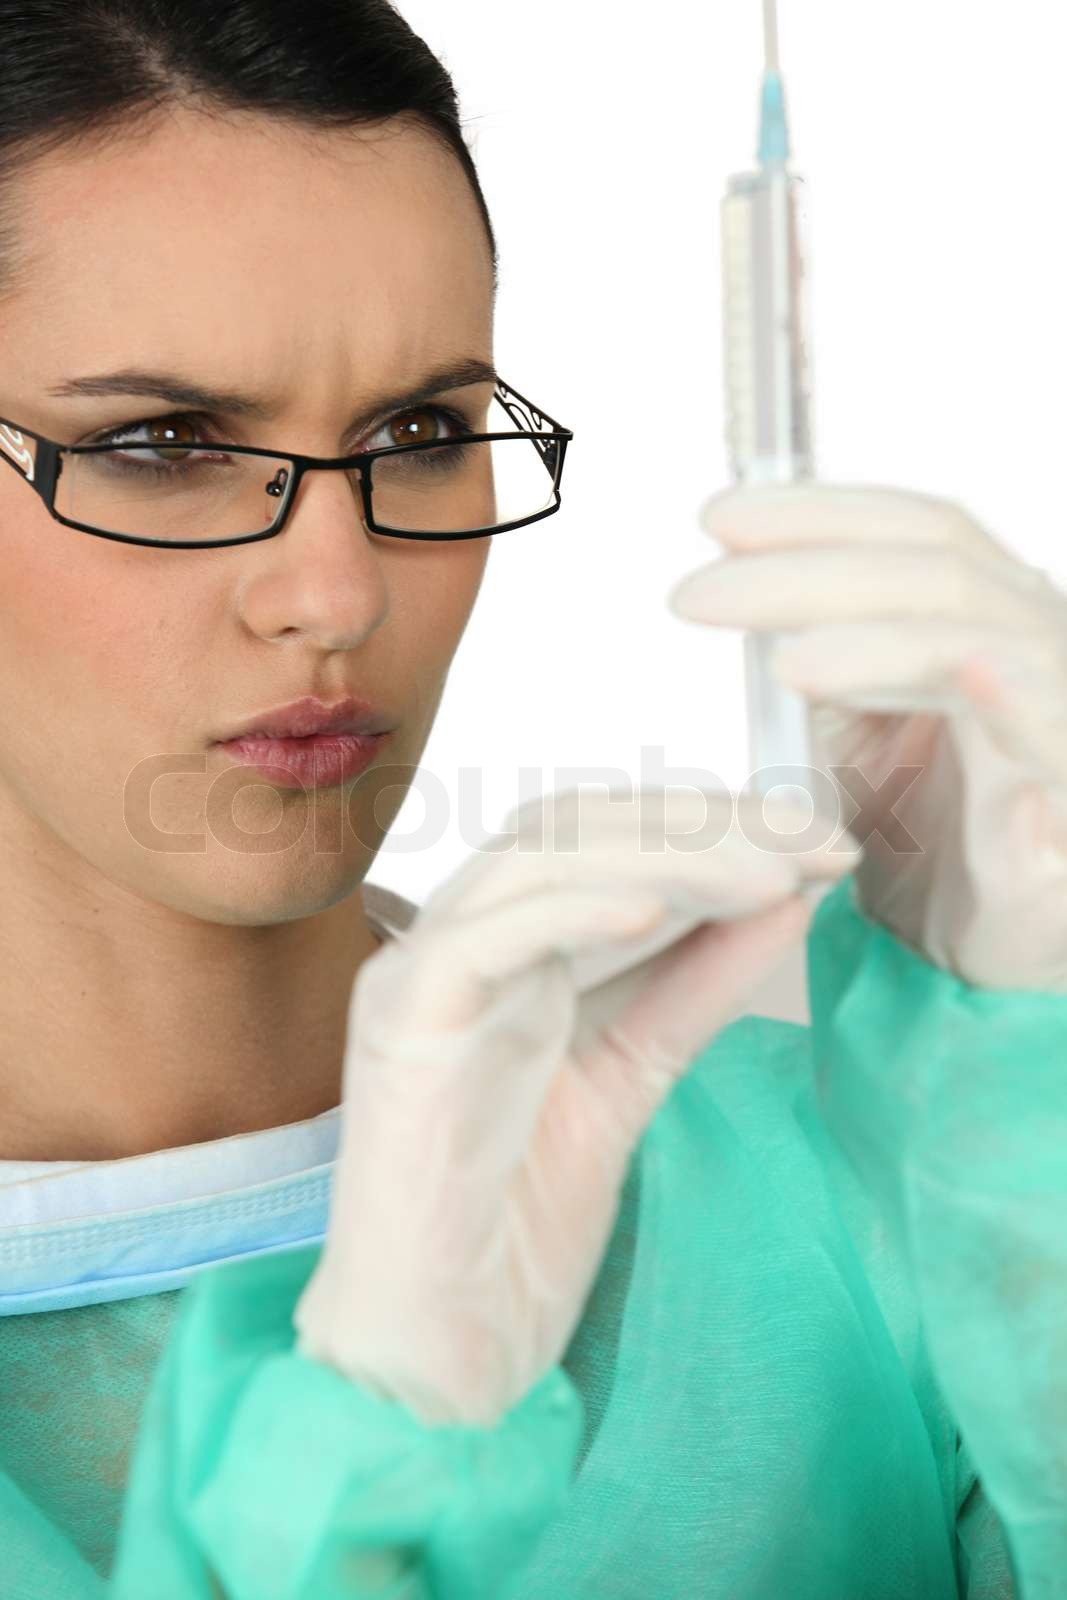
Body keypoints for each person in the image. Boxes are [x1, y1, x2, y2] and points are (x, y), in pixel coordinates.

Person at [0, 2, 1063, 1597]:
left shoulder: (864, 1174)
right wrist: (371, 1448)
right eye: (162, 443)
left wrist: (1028, 1112)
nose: (335, 593)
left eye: (420, 433)